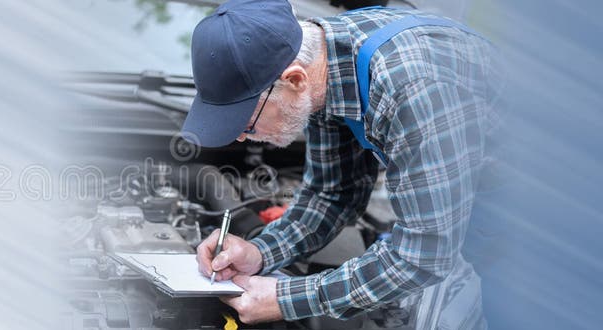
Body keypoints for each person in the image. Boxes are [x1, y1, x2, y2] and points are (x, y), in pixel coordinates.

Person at [182, 0, 500, 327]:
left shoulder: (413, 89)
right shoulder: (323, 61)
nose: (240, 139)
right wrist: (261, 253)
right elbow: (333, 194)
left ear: (294, 80)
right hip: (470, 216)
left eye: (246, 124)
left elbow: (422, 257)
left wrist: (285, 298)